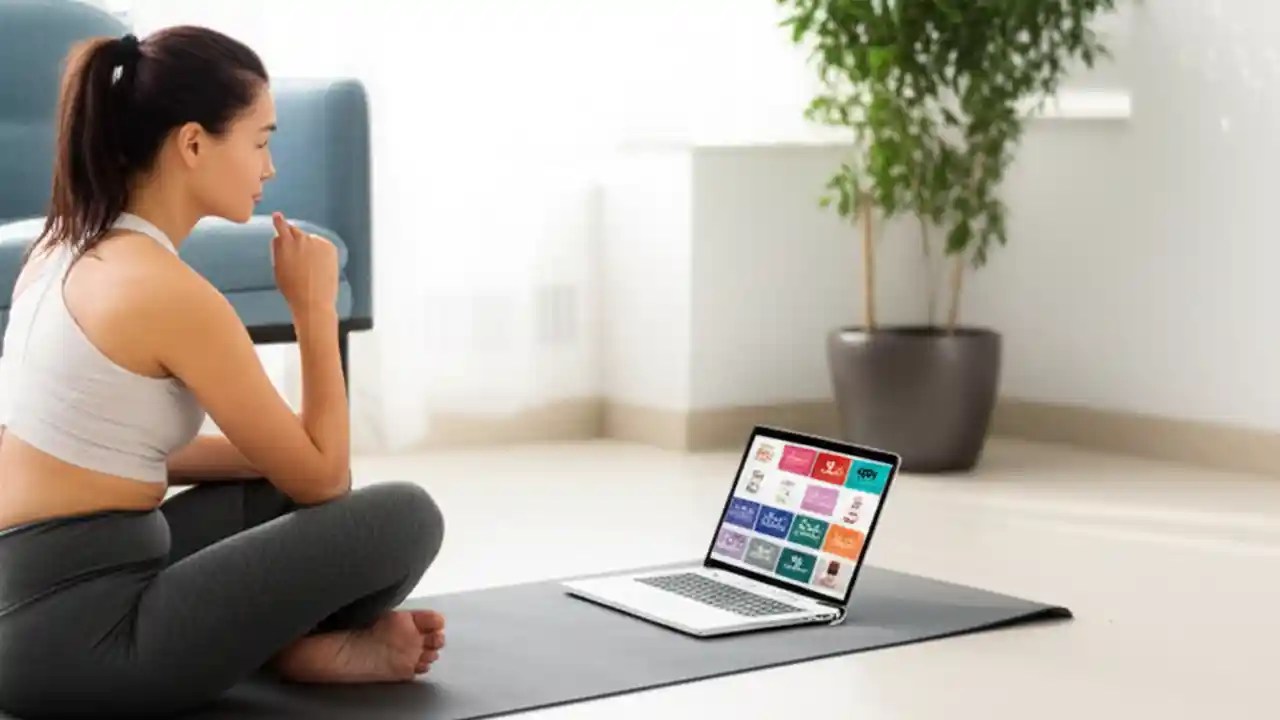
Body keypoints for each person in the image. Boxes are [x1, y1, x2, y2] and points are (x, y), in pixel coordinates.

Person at [0, 26, 446, 719]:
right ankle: (295, 649)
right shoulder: (167, 292)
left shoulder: (59, 247)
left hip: (30, 612)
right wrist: (314, 310)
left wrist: (277, 455)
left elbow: (95, 444)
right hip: (86, 643)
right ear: (193, 144)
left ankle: (288, 645)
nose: (270, 168)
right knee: (407, 517)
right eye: (260, 141)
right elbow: (326, 478)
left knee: (273, 485)